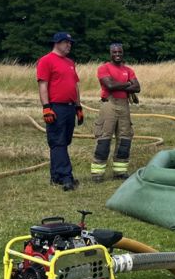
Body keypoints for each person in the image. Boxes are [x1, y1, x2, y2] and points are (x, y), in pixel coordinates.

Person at [37, 32, 82, 191]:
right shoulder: (46, 60)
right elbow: (43, 85)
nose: (69, 45)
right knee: (58, 141)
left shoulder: (70, 62)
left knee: (64, 141)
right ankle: (65, 177)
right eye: (66, 43)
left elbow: (75, 85)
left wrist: (78, 107)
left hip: (70, 107)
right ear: (57, 43)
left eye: (70, 43)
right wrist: (46, 107)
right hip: (56, 107)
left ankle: (56, 176)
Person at [91, 43, 141, 181]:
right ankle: (97, 173)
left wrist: (124, 85)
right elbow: (110, 85)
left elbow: (137, 88)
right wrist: (127, 84)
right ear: (110, 53)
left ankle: (120, 172)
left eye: (119, 52)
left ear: (122, 53)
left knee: (125, 138)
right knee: (104, 139)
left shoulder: (128, 70)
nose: (117, 54)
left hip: (124, 105)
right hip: (109, 104)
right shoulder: (104, 68)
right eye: (114, 52)